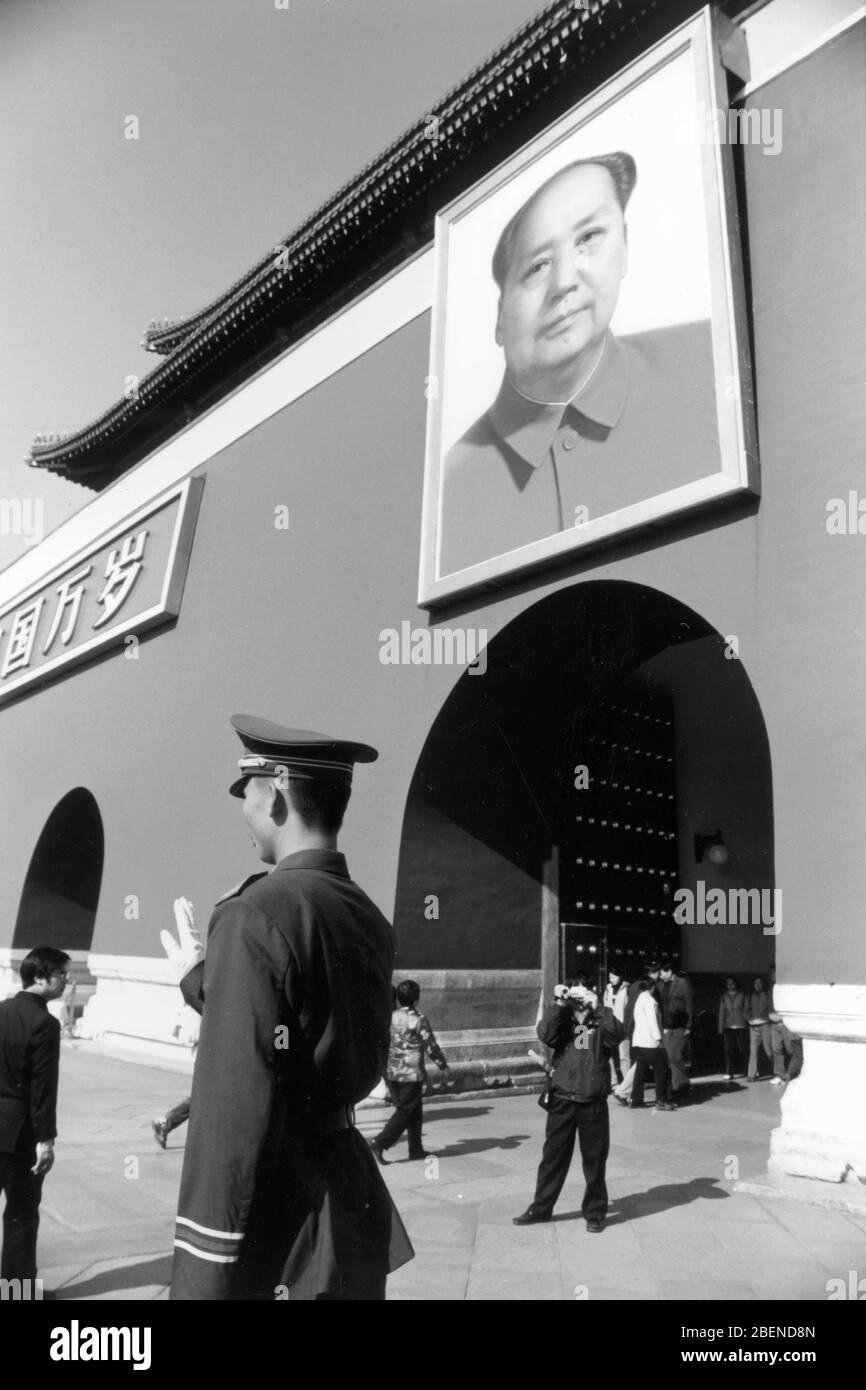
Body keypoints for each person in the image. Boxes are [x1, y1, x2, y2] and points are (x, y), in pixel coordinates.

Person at [168, 714, 414, 1301]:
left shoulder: (255, 911)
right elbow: (307, 1018)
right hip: (347, 1200)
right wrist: (204, 979)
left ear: (276, 792)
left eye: (247, 792)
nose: (244, 811)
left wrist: (201, 1274)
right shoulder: (367, 916)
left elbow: (231, 1117)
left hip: (282, 1222)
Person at [440, 153, 720, 574]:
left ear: (624, 246)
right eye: (537, 266)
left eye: (588, 238)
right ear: (499, 316)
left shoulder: (710, 364)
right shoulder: (452, 485)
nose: (565, 281)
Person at [513, 985, 617, 1232]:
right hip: (562, 1098)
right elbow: (545, 1034)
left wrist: (599, 1006)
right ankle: (541, 1208)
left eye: (584, 995)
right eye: (575, 995)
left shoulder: (599, 1020)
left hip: (591, 1100)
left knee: (594, 1160)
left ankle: (594, 1212)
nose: (579, 1001)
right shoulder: (564, 1019)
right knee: (553, 1157)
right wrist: (559, 1003)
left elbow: (618, 1034)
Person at [0, 947, 68, 1284]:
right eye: (61, 974)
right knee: (21, 1216)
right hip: (20, 1135)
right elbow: (43, 1089)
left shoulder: (0, 1010)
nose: (67, 980)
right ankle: (16, 1298)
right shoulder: (45, 1023)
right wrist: (46, 1141)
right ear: (39, 977)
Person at [370, 980, 449, 1163]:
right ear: (416, 999)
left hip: (391, 1071)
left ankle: (416, 1148)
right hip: (409, 1073)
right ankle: (380, 1142)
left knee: (415, 1110)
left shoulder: (390, 1016)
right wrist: (442, 1065)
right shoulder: (418, 1019)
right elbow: (430, 1045)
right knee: (406, 1110)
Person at [629, 976, 675, 1110]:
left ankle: (635, 1099)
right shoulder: (650, 1002)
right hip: (650, 1042)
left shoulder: (639, 1000)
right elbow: (652, 1022)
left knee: (640, 1070)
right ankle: (661, 1100)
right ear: (652, 987)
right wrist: (658, 1039)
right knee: (661, 1069)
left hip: (638, 1041)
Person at [658, 960, 693, 1102]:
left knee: (674, 1055)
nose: (660, 976)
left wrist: (689, 1026)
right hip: (666, 1025)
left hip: (680, 1024)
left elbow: (690, 1004)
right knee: (669, 1055)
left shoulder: (683, 983)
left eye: (662, 973)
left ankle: (678, 1084)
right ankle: (681, 1083)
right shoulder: (660, 985)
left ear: (669, 971)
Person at [602, 963, 629, 1085]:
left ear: (620, 976)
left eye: (614, 977)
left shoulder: (626, 989)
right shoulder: (608, 989)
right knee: (610, 1056)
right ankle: (613, 1081)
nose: (611, 980)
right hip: (610, 1026)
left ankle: (627, 1083)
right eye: (610, 977)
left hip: (622, 1027)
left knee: (624, 1057)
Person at [718, 975, 748, 1079]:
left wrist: (748, 1023)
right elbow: (722, 1013)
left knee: (743, 1050)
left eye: (732, 983)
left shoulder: (742, 995)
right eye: (728, 983)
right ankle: (728, 1072)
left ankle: (748, 1070)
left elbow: (746, 1010)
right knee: (728, 1050)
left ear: (736, 983)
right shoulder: (724, 996)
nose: (730, 985)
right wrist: (720, 1028)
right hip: (728, 1026)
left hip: (741, 1025)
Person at [745, 976, 773, 1081]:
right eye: (755, 983)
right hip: (753, 1027)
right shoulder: (750, 995)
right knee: (753, 1051)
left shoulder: (766, 994)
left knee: (769, 1049)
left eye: (760, 983)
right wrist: (749, 1019)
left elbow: (770, 1008)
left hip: (765, 1025)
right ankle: (751, 1075)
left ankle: (777, 1071)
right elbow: (746, 1010)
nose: (757, 985)